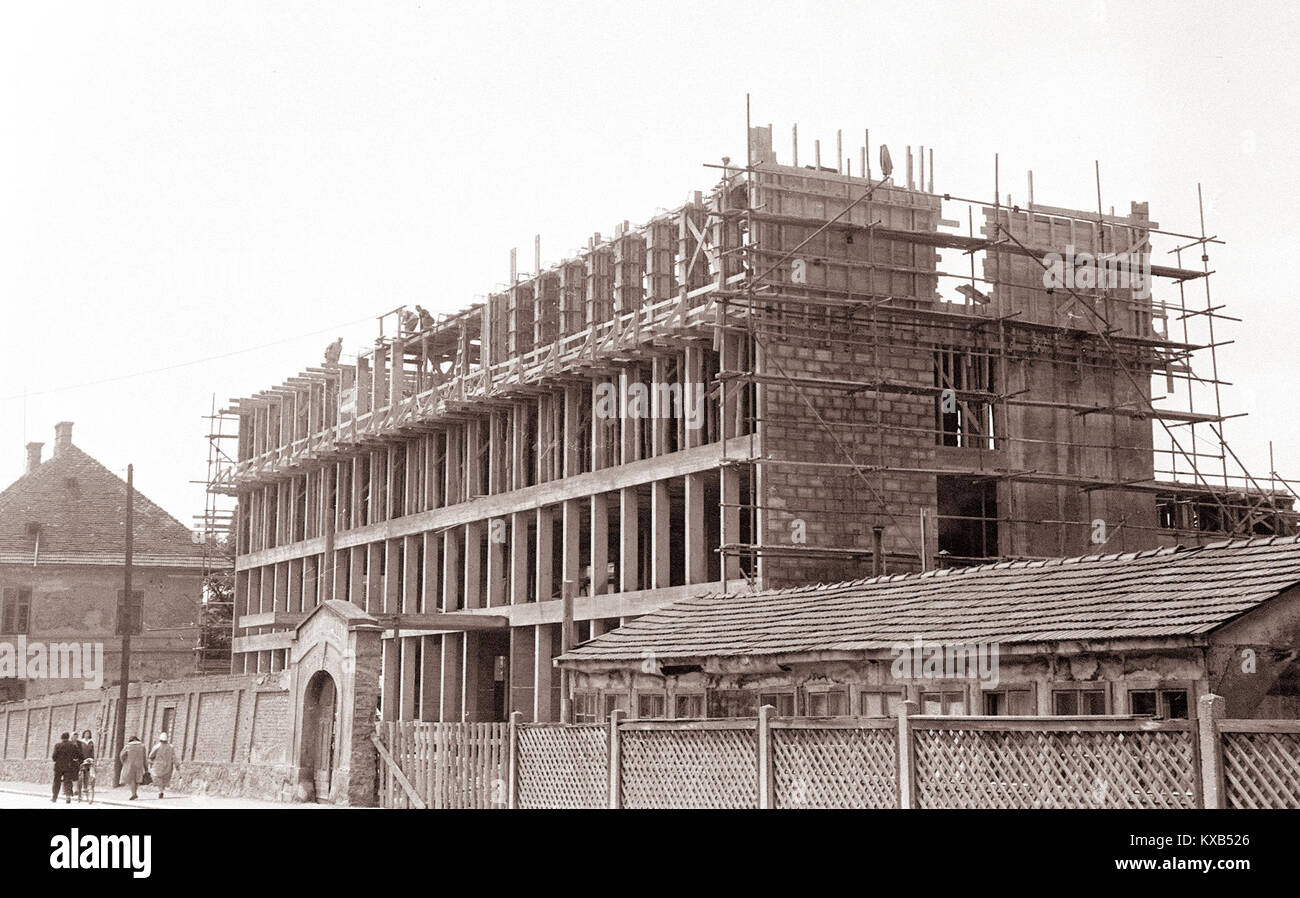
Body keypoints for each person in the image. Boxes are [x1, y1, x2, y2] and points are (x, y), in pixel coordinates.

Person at [51, 732, 83, 804]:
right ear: (68, 737)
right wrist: (76, 760)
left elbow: (54, 757)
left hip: (58, 767)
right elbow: (78, 755)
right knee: (67, 781)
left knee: (57, 782)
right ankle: (68, 797)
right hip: (69, 766)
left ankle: (54, 797)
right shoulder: (72, 745)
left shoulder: (57, 745)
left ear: (61, 738)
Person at [148, 732, 178, 799]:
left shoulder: (157, 746)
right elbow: (174, 757)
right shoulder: (171, 747)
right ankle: (162, 791)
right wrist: (176, 764)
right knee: (164, 778)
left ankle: (160, 791)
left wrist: (151, 762)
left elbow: (151, 755)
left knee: (158, 778)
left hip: (158, 765)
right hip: (168, 765)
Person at [118, 735, 146, 800]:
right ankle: (135, 793)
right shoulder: (142, 746)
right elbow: (144, 757)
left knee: (132, 780)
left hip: (130, 764)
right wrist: (146, 767)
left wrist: (123, 762)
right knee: (137, 779)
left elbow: (121, 755)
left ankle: (134, 794)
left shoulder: (128, 746)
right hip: (139, 764)